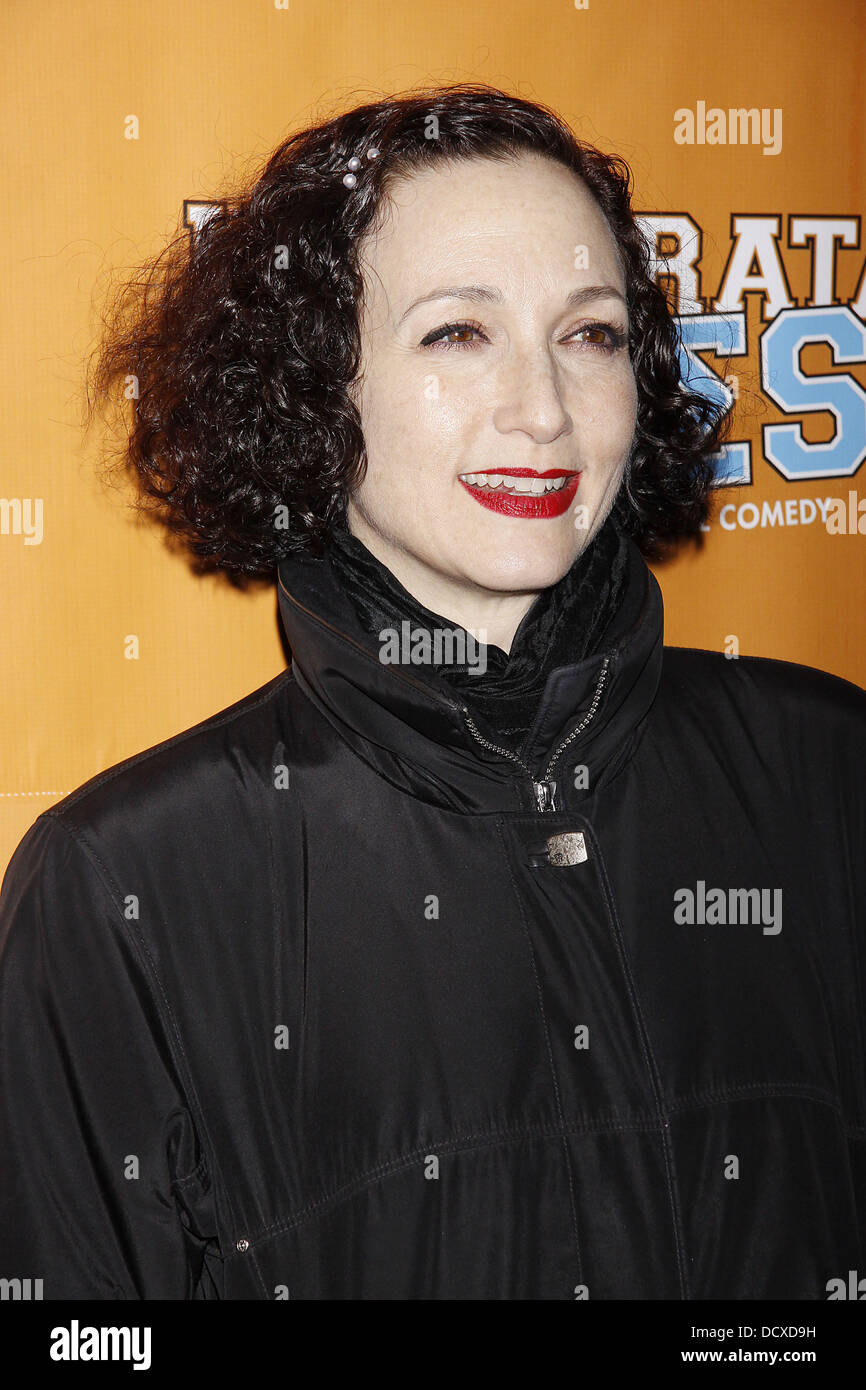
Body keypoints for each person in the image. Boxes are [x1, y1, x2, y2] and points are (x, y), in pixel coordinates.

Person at [0, 82, 864, 1301]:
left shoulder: (828, 773)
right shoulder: (122, 883)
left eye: (590, 332)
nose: (542, 410)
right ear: (314, 384)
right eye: (456, 333)